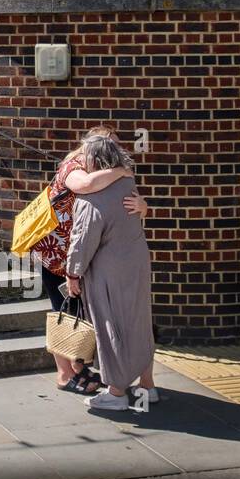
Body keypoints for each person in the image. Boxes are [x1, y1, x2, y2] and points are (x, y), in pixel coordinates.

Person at [29, 126, 146, 394]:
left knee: (78, 313)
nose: (117, 151)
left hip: (82, 253)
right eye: (111, 146)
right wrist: (121, 171)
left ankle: (79, 368)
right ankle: (64, 375)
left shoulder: (103, 171)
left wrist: (144, 206)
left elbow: (128, 205)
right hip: (57, 252)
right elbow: (84, 186)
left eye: (118, 146)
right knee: (64, 312)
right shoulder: (74, 166)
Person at [65, 134, 157, 411]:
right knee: (139, 322)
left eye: (85, 156)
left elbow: (83, 241)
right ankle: (147, 387)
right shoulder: (128, 184)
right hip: (137, 264)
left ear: (94, 160)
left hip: (108, 272)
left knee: (110, 327)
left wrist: (72, 273)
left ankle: (116, 393)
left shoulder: (92, 198)